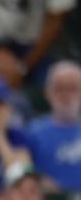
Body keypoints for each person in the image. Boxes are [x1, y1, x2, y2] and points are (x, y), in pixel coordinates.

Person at [25, 61, 81, 191]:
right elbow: (22, 168)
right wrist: (38, 179)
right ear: (47, 93)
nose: (66, 94)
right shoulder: (33, 132)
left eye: (73, 88)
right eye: (60, 88)